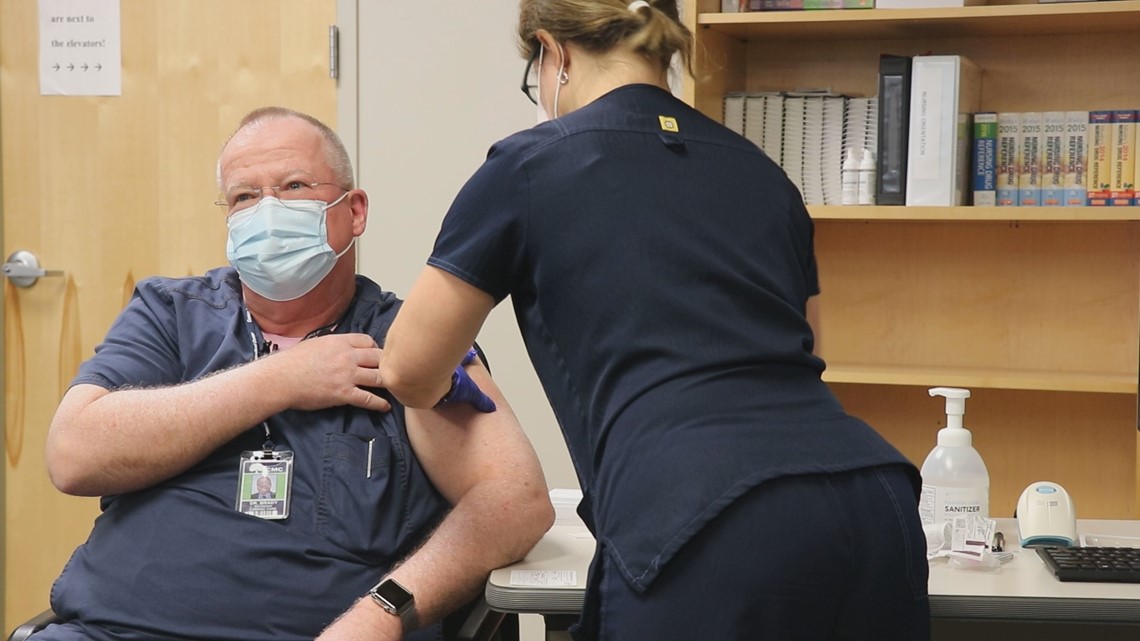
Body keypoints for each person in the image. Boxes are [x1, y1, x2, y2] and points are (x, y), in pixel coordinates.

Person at [374, 1, 930, 640]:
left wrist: (448, 386)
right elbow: (806, 353)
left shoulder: (528, 166)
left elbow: (408, 369)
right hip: (870, 493)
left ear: (553, 52)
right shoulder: (764, 173)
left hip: (709, 517)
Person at [36, 107, 554, 641]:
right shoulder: (171, 313)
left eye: (293, 186)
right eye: (244, 197)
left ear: (353, 212)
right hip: (107, 631)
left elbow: (514, 500)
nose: (268, 210)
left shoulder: (405, 343)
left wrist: (384, 612)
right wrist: (279, 380)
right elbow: (74, 455)